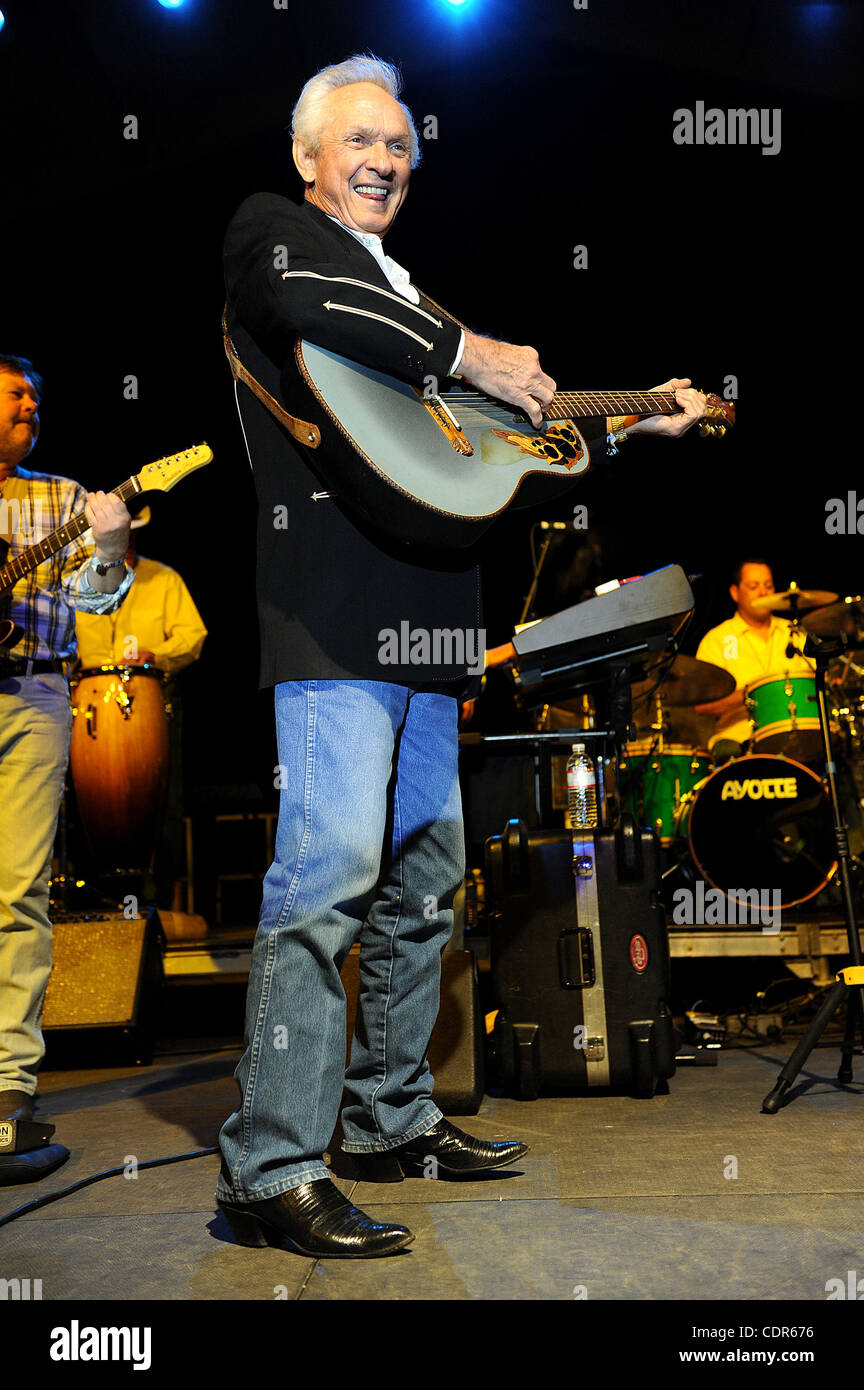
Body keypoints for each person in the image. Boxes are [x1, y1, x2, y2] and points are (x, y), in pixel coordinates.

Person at [216, 54, 709, 1259]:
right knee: (323, 880)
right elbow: (318, 312)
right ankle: (269, 1166)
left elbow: (501, 452)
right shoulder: (277, 238)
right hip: (334, 616)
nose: (386, 157)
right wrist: (476, 353)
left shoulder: (402, 296)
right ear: (308, 156)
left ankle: (389, 1117)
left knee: (426, 879)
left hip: (434, 625)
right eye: (362, 139)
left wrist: (639, 412)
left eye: (401, 145)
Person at [0, 354, 133, 1146]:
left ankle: (8, 1083)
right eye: (14, 392)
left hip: (31, 693)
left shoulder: (66, 499)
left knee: (17, 892)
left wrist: (110, 553)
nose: (30, 405)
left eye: (36, 398)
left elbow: (95, 598)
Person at [74, 503, 207, 907]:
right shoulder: (78, 582)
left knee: (160, 799)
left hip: (151, 702)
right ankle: (98, 898)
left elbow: (193, 637)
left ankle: (160, 902)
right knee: (87, 803)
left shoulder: (163, 579)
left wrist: (157, 655)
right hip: (88, 709)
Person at [694, 558, 814, 759]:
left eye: (768, 586)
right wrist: (753, 695)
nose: (762, 592)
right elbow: (701, 706)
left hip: (796, 732)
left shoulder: (793, 634)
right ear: (735, 593)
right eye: (753, 586)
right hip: (738, 739)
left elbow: (816, 687)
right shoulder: (719, 639)